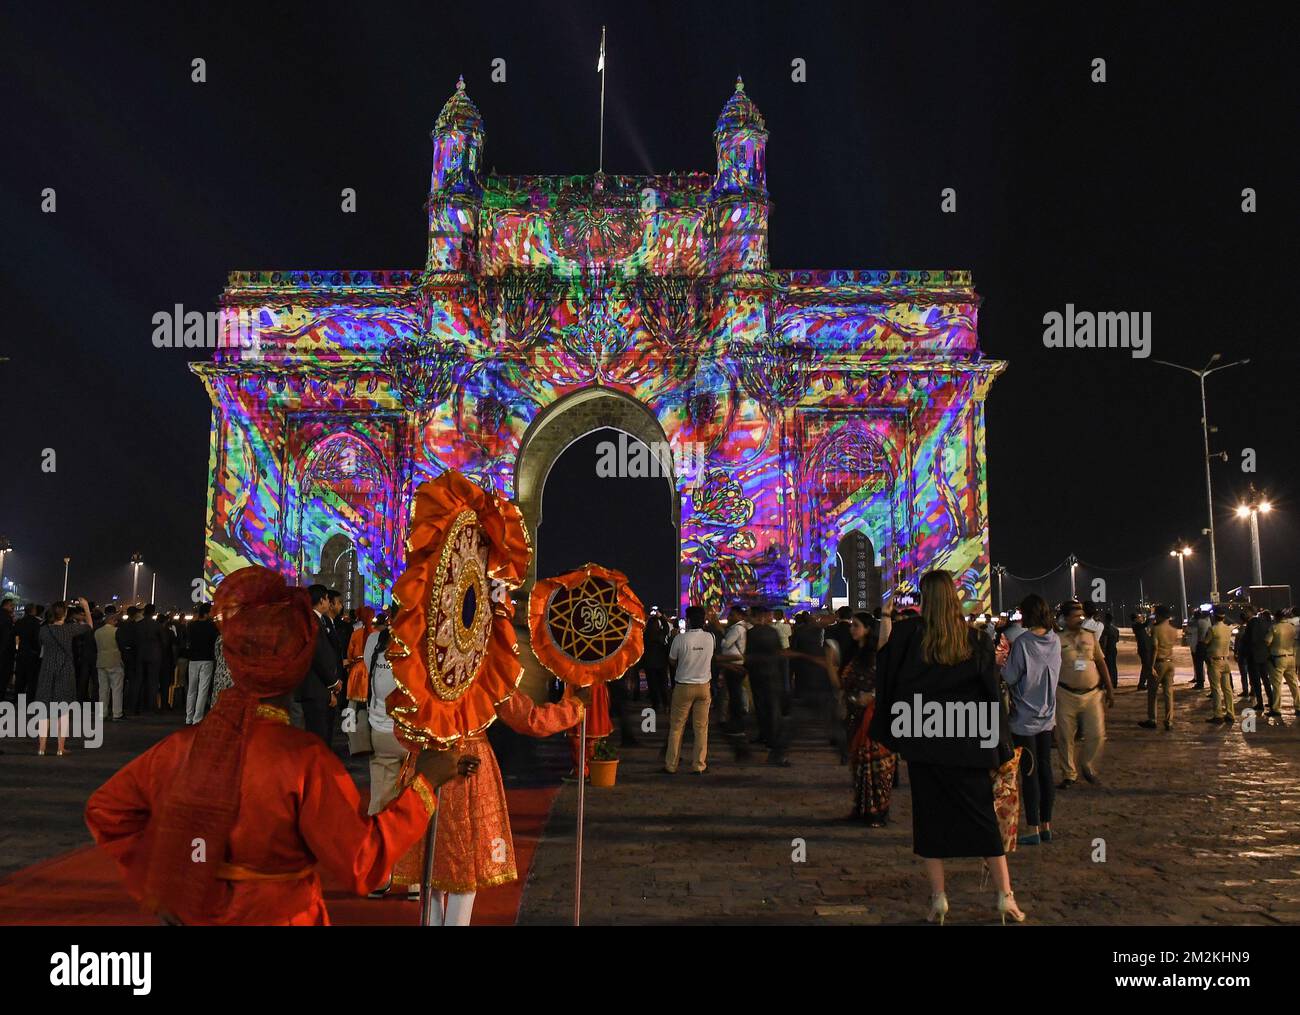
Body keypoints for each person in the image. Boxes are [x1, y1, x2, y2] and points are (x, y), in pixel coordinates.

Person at [84, 567, 477, 925]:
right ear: (297, 664)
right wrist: (426, 783)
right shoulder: (303, 760)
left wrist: (174, 880)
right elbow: (364, 862)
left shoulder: (182, 747)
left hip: (201, 913)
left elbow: (107, 811)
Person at [870, 570, 1024, 925]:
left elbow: (885, 666)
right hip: (967, 739)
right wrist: (1000, 744)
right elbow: (989, 694)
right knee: (983, 819)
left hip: (924, 739)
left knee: (930, 822)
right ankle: (1005, 896)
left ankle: (939, 900)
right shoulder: (976, 640)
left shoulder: (910, 635)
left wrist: (888, 615)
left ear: (923, 598)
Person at [1000, 594, 1060, 846]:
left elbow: (1010, 676)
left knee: (1030, 772)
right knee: (1046, 770)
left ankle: (1033, 829)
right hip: (1048, 716)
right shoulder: (1055, 639)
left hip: (1024, 718)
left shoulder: (1024, 642)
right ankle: (1047, 825)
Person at [837, 611, 895, 825]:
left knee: (876, 765)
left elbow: (886, 681)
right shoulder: (853, 653)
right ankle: (861, 809)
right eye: (851, 625)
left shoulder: (875, 654)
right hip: (854, 715)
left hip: (873, 716)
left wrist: (870, 696)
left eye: (856, 626)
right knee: (859, 765)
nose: (852, 629)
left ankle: (878, 813)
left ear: (868, 629)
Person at [1055, 599, 1114, 784]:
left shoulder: (1090, 636)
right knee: (1065, 737)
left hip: (1092, 694)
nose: (1080, 619)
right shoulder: (1057, 640)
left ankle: (1087, 763)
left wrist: (1110, 689)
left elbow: (1101, 662)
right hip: (1065, 694)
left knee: (1097, 734)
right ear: (1065, 619)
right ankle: (1069, 774)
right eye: (1075, 616)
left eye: (1081, 615)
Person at [35, 598, 93, 755]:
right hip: (65, 670)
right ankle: (60, 748)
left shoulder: (44, 630)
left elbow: (42, 645)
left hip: (47, 670)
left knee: (44, 709)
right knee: (63, 710)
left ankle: (42, 747)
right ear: (65, 614)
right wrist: (86, 607)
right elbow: (89, 627)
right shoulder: (69, 629)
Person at [663, 605, 715, 774]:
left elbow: (672, 660)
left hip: (684, 685)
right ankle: (699, 765)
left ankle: (671, 765)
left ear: (689, 620)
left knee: (677, 727)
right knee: (701, 728)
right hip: (704, 686)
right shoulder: (710, 637)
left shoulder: (680, 639)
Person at [743, 606, 789, 764]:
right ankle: (770, 739)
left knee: (762, 707)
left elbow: (748, 656)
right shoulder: (773, 632)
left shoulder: (751, 633)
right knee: (772, 709)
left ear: (756, 617)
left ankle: (766, 737)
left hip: (758, 675)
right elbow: (780, 655)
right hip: (773, 675)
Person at [297, 584, 343, 745]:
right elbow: (318, 656)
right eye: (327, 599)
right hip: (314, 688)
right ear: (322, 600)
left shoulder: (317, 620)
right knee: (318, 738)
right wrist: (333, 683)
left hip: (319, 688)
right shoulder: (313, 621)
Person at [1142, 604, 1180, 731]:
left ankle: (1152, 719)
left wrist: (1150, 666)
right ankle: (1169, 721)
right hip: (1170, 662)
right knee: (1168, 693)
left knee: (1152, 692)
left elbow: (1154, 648)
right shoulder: (1174, 630)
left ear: (1160, 615)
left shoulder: (1156, 629)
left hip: (1159, 662)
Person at [185, 603, 219, 724]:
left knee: (191, 690)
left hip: (193, 659)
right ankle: (197, 718)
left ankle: (188, 717)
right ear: (207, 613)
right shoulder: (212, 627)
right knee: (202, 690)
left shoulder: (191, 626)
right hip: (207, 659)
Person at [717, 606, 749, 735]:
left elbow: (725, 644)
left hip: (734, 665)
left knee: (734, 695)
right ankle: (736, 721)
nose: (729, 617)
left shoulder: (737, 628)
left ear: (740, 616)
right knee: (736, 694)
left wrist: (720, 631)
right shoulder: (742, 628)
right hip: (737, 664)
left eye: (732, 615)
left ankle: (737, 724)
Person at [1204, 609, 1236, 726]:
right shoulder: (1228, 629)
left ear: (1214, 617)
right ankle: (1230, 713)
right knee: (1227, 689)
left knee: (1216, 689)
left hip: (1215, 661)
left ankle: (1218, 715)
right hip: (1225, 660)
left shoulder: (1212, 629)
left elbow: (1205, 642)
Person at [95, 607, 126, 722]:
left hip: (101, 662)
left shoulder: (97, 632)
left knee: (103, 689)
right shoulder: (116, 631)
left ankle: (102, 713)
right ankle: (117, 713)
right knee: (117, 688)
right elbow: (121, 646)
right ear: (112, 621)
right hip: (114, 661)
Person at [132, 604, 166, 713]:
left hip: (140, 655)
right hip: (154, 656)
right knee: (153, 681)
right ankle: (151, 706)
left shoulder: (138, 625)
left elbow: (134, 641)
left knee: (139, 681)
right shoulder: (157, 625)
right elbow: (164, 642)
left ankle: (136, 706)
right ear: (154, 613)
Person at [1266, 607, 1298, 718]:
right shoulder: (1292, 628)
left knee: (1276, 685)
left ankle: (1276, 708)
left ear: (1277, 617)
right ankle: (1298, 706)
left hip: (1278, 658)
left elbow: (1267, 642)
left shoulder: (1274, 628)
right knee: (1294, 684)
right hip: (1291, 657)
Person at [1246, 608, 1276, 713]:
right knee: (1266, 679)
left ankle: (1260, 703)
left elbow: (1248, 640)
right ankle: (1271, 701)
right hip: (1264, 655)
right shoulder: (1265, 623)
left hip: (1254, 655)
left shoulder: (1251, 623)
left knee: (1256, 681)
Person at [15, 603, 44, 700]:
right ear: (33, 610)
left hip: (21, 652)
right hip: (32, 654)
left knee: (20, 678)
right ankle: (29, 700)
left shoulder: (20, 621)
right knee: (31, 679)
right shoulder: (36, 623)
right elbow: (36, 639)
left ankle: (17, 699)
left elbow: (16, 634)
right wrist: (37, 650)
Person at [1131, 611, 1154, 691]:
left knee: (1146, 666)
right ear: (1135, 619)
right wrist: (1151, 616)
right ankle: (1142, 684)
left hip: (1145, 648)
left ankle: (1144, 683)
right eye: (1139, 617)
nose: (1141, 618)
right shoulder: (1136, 625)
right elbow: (1146, 624)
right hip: (1144, 649)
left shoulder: (1138, 625)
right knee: (1146, 666)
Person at [0, 597, 17, 698]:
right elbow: (7, 639)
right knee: (3, 677)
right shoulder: (7, 618)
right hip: (4, 654)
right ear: (6, 605)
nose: (14, 608)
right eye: (12, 605)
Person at [1101, 612, 1120, 688]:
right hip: (1114, 649)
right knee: (1114, 666)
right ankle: (1114, 682)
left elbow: (1104, 641)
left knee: (1108, 667)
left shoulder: (1105, 628)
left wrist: (1103, 651)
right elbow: (1117, 640)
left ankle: (1108, 683)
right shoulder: (1116, 629)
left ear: (1106, 619)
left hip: (1107, 650)